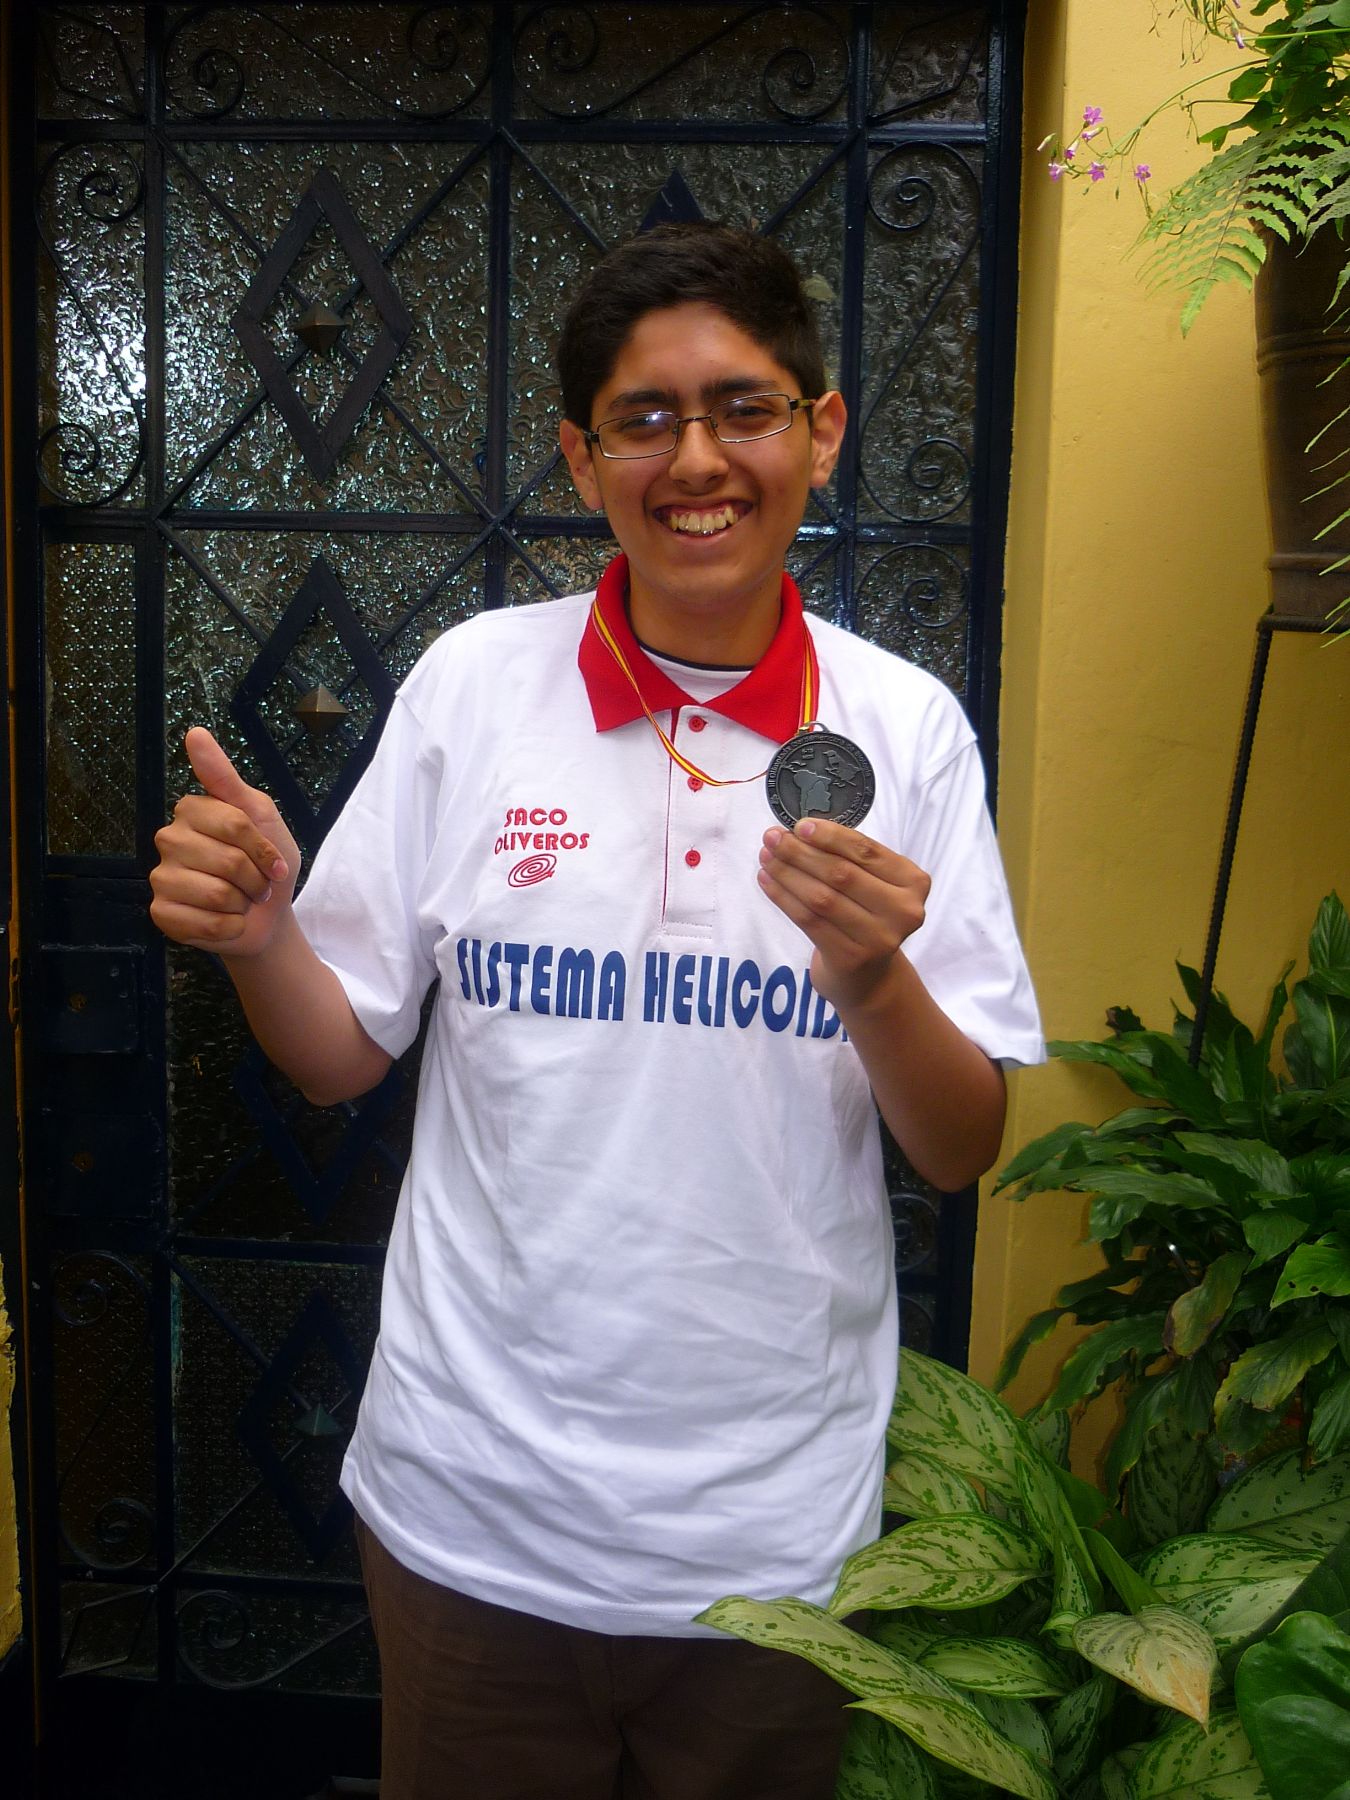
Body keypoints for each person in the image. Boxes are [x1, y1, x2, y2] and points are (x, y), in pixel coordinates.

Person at [149, 223, 1043, 1800]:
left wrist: (872, 975)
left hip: (770, 1541)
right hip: (472, 1516)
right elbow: (341, 1049)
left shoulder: (906, 730)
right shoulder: (474, 689)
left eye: (743, 408)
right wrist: (257, 933)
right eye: (643, 419)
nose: (695, 460)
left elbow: (962, 1143)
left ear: (818, 432)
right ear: (580, 458)